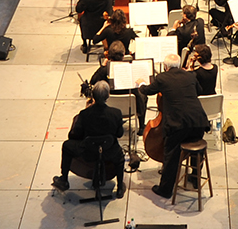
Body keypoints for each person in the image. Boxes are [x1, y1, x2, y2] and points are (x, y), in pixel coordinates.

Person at [136, 52, 210, 199]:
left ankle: (165, 190)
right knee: (196, 148)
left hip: (178, 124)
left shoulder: (162, 78)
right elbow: (199, 91)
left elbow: (147, 91)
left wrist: (141, 83)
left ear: (165, 67)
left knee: (171, 155)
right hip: (198, 121)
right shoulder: (190, 76)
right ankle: (195, 178)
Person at [51, 80, 127, 194]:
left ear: (93, 95)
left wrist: (87, 111)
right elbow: (119, 134)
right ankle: (120, 187)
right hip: (109, 151)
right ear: (108, 96)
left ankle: (64, 179)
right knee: (120, 156)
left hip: (88, 152)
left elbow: (74, 135)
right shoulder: (116, 113)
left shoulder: (84, 114)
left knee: (66, 145)